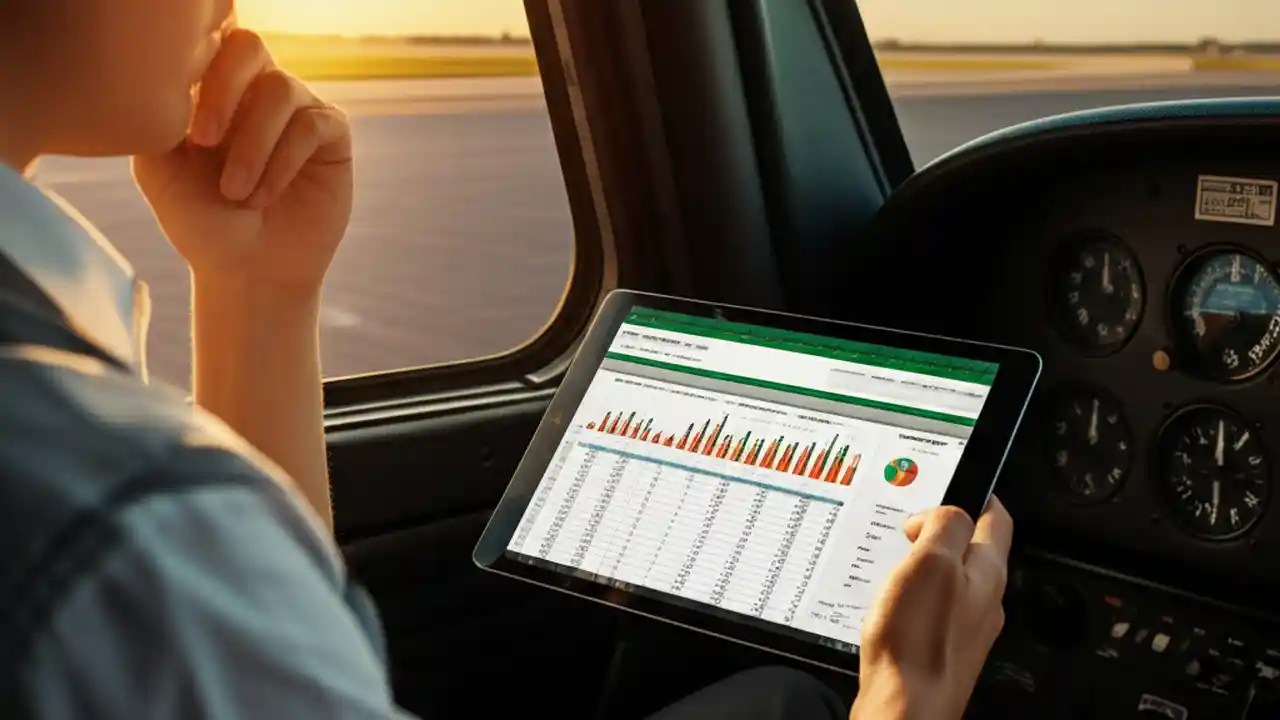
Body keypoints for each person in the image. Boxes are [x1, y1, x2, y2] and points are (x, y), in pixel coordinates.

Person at [0, 2, 1011, 718]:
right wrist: (903, 706)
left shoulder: (122, 503)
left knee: (778, 697)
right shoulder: (118, 516)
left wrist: (261, 293)